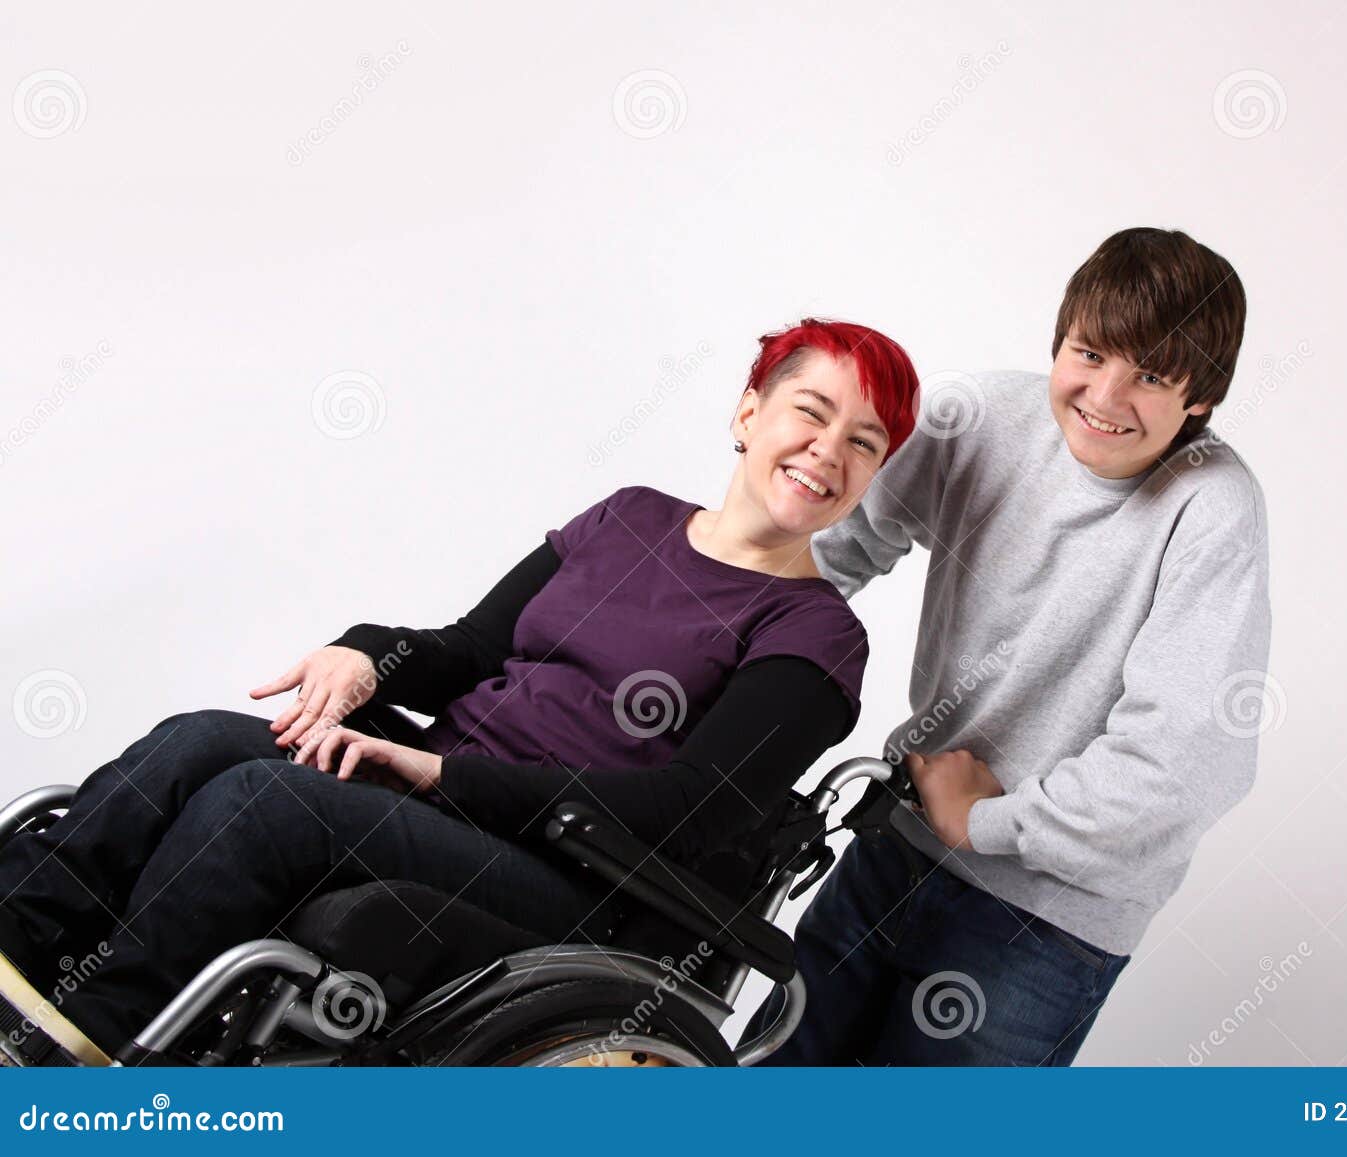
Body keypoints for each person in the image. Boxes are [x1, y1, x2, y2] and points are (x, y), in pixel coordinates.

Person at [0, 318, 920, 1066]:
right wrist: (362, 656)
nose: (826, 450)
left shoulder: (815, 633)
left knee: (264, 802)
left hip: (568, 873)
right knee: (195, 740)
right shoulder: (628, 517)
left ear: (873, 475)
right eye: (811, 411)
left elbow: (687, 813)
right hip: (437, 796)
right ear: (749, 410)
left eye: (863, 441)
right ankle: (18, 963)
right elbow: (470, 648)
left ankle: (82, 1048)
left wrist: (442, 775)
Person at [744, 228, 1273, 1065]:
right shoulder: (980, 418)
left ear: (1201, 396)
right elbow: (827, 551)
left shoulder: (1209, 508)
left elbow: (1188, 768)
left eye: (1151, 376)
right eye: (1090, 353)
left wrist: (990, 821)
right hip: (892, 850)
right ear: (1057, 340)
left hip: (1045, 923)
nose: (1105, 394)